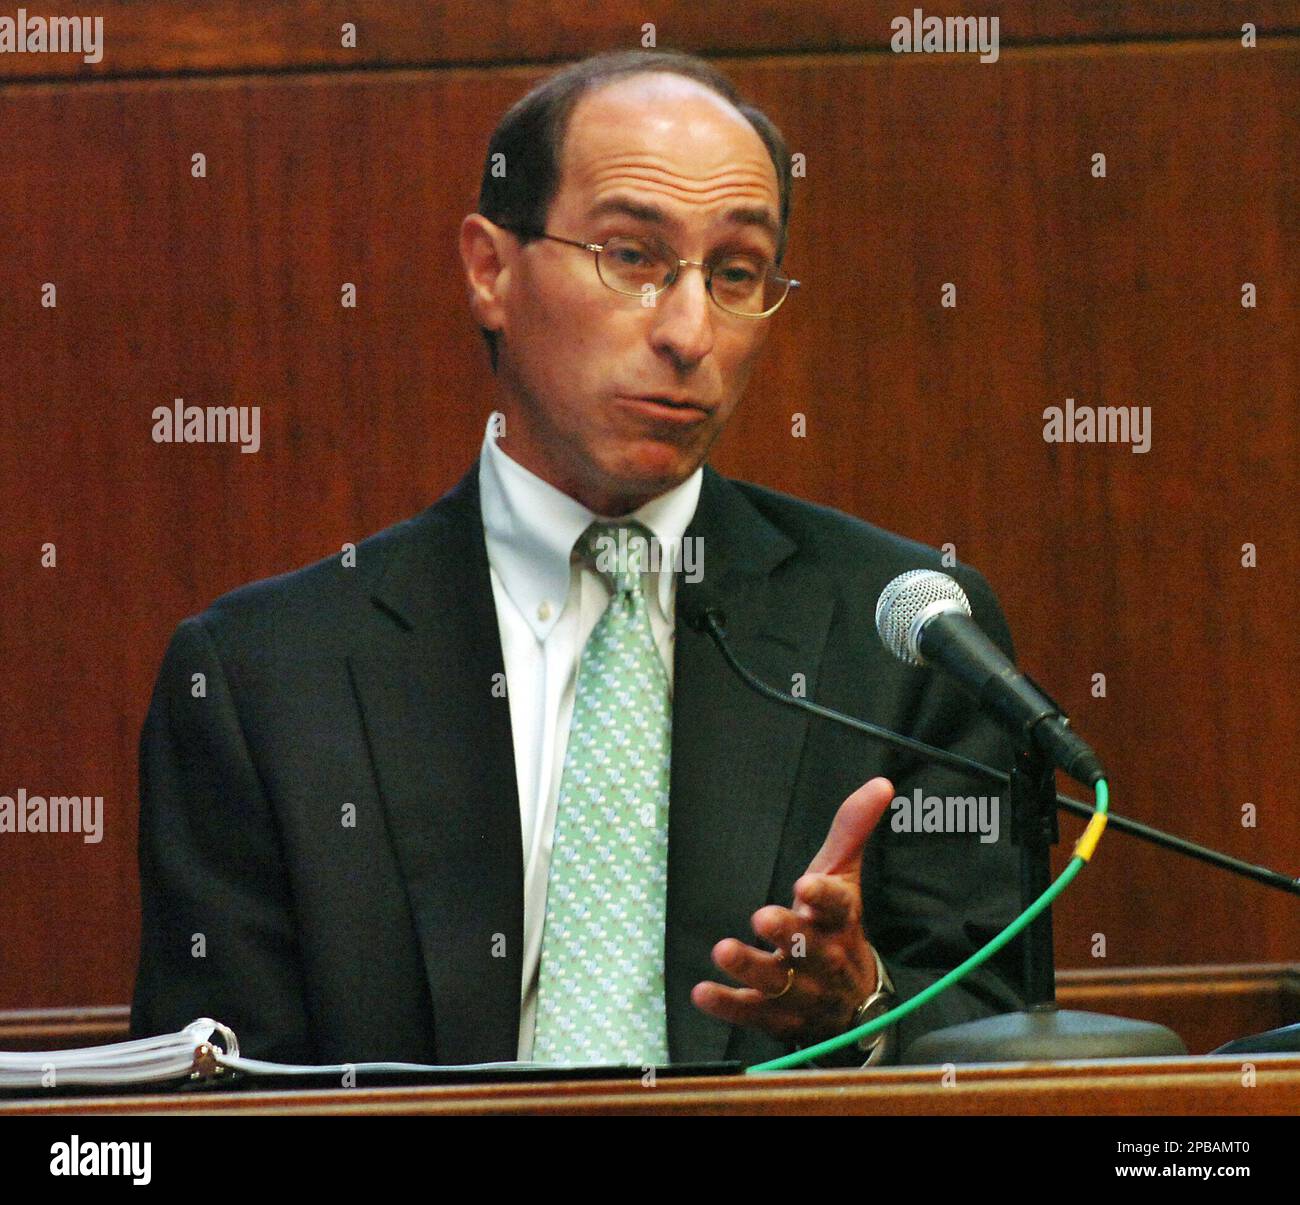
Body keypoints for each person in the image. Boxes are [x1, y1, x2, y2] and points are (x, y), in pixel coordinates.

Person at [131, 48, 1026, 1069]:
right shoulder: (263, 679)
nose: (690, 332)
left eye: (735, 273)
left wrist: (858, 1007)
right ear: (490, 269)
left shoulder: (906, 634)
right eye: (633, 257)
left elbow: (1008, 1038)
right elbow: (206, 1088)